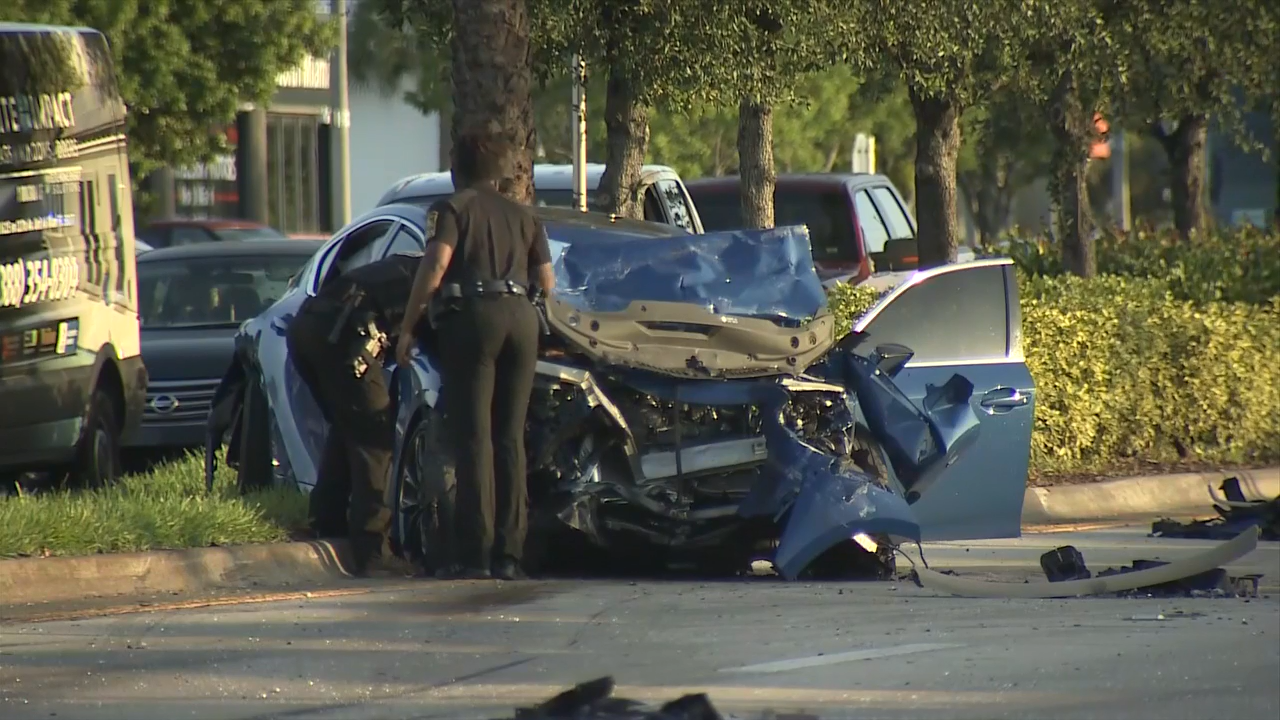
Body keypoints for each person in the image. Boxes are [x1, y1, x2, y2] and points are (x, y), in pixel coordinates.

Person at [396, 133, 556, 581]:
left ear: (456, 169)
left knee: (475, 437)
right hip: (522, 320)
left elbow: (435, 266)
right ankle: (509, 554)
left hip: (474, 318)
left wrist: (410, 325)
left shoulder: (453, 209)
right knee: (510, 438)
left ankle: (475, 554)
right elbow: (547, 281)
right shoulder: (526, 217)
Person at [288, 251, 422, 577]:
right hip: (346, 334)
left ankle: (328, 524)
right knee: (374, 441)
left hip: (308, 326)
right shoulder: (438, 281)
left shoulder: (407, 264)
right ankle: (373, 552)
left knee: (349, 427)